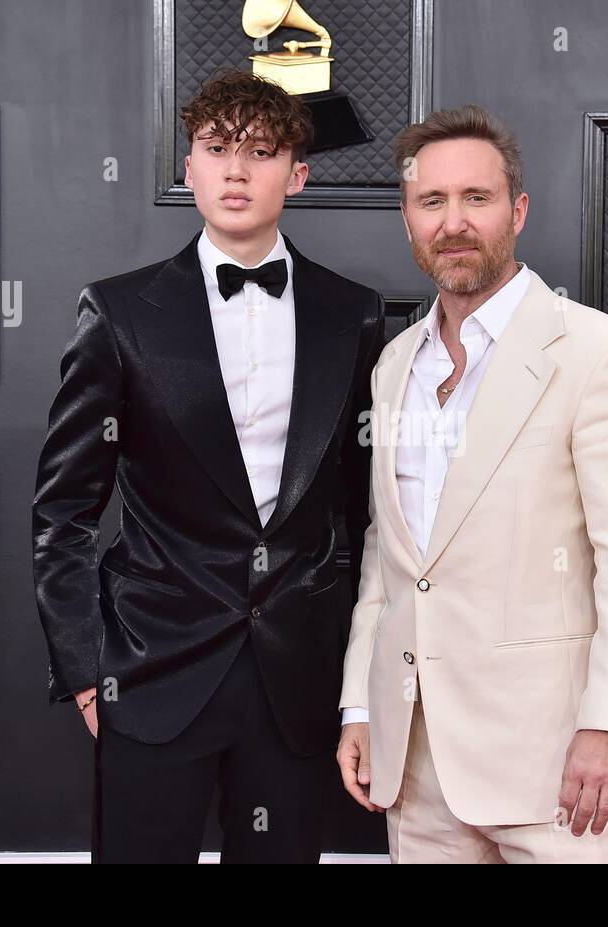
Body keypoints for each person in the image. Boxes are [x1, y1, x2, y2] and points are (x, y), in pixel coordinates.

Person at [32, 68, 384, 863]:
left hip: (297, 675)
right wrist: (87, 667)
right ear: (187, 166)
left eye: (260, 151)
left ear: (297, 174)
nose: (235, 169)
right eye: (216, 148)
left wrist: (355, 676)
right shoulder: (117, 313)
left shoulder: (355, 312)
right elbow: (62, 511)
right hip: (151, 671)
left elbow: (360, 512)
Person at [336, 104, 608, 863]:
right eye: (432, 201)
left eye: (477, 199)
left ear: (517, 211)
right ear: (408, 219)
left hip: (557, 767)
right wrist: (361, 702)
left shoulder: (597, 353)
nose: (453, 222)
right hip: (416, 767)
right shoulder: (394, 368)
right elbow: (386, 558)